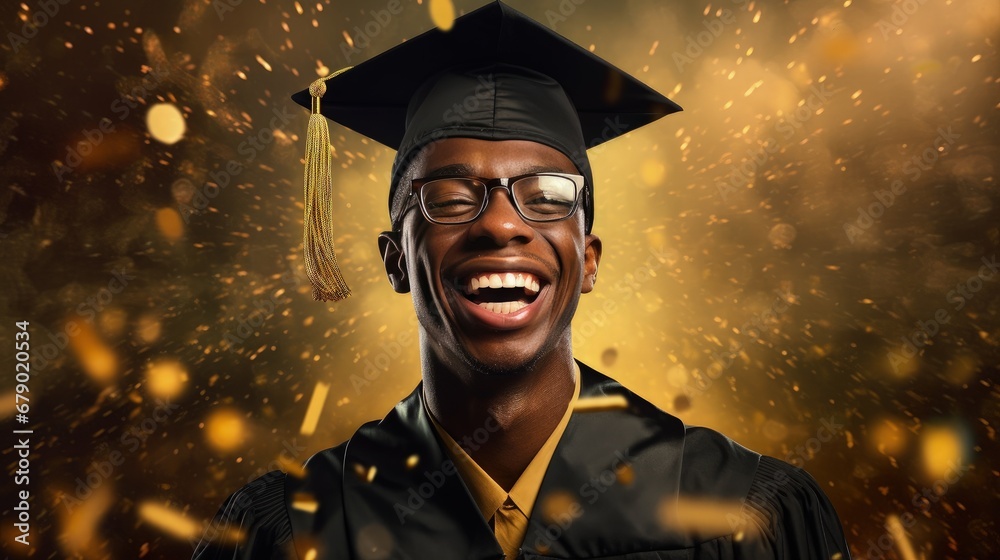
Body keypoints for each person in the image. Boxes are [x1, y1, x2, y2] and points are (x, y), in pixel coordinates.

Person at [193, 2, 852, 558]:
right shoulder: (293, 530)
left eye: (546, 195)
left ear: (588, 260)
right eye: (450, 197)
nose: (500, 224)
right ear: (395, 261)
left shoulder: (744, 515)